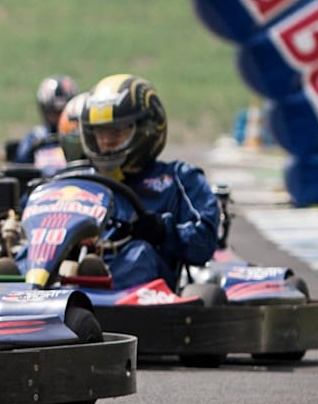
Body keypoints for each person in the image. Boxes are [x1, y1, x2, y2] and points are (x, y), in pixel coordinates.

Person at [78, 73, 220, 288]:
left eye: (115, 132)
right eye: (100, 133)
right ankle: (17, 286)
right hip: (78, 269)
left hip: (147, 291)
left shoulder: (180, 178)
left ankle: (100, 284)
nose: (106, 142)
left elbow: (204, 243)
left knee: (139, 252)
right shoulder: (80, 181)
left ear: (146, 130)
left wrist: (162, 231)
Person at [13, 74, 78, 163]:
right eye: (52, 112)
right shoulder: (36, 136)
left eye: (61, 112)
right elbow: (21, 161)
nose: (57, 117)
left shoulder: (78, 136)